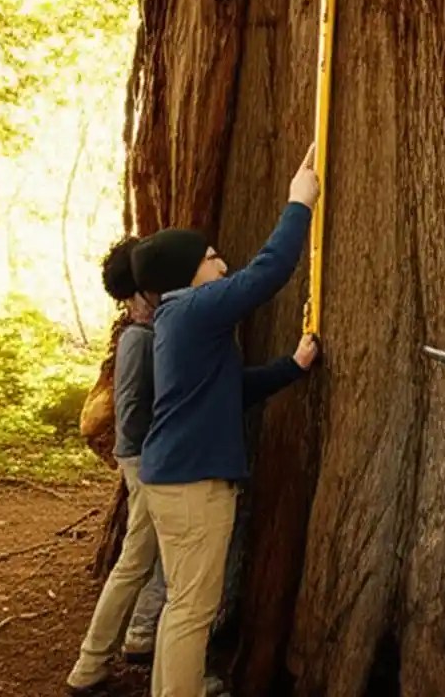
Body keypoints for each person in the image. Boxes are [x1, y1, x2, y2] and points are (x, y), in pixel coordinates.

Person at [129, 144, 321, 697]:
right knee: (192, 609)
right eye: (212, 257)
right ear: (187, 272)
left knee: (182, 606)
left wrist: (291, 367)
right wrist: (298, 203)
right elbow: (268, 273)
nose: (222, 264)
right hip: (192, 484)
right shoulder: (194, 307)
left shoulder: (181, 319)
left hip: (175, 477)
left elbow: (227, 391)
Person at [66, 236, 170, 693]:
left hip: (146, 461)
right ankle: (88, 666)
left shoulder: (146, 331)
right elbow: (131, 412)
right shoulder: (139, 338)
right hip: (147, 463)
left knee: (155, 557)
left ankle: (140, 635)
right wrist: (149, 466)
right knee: (134, 561)